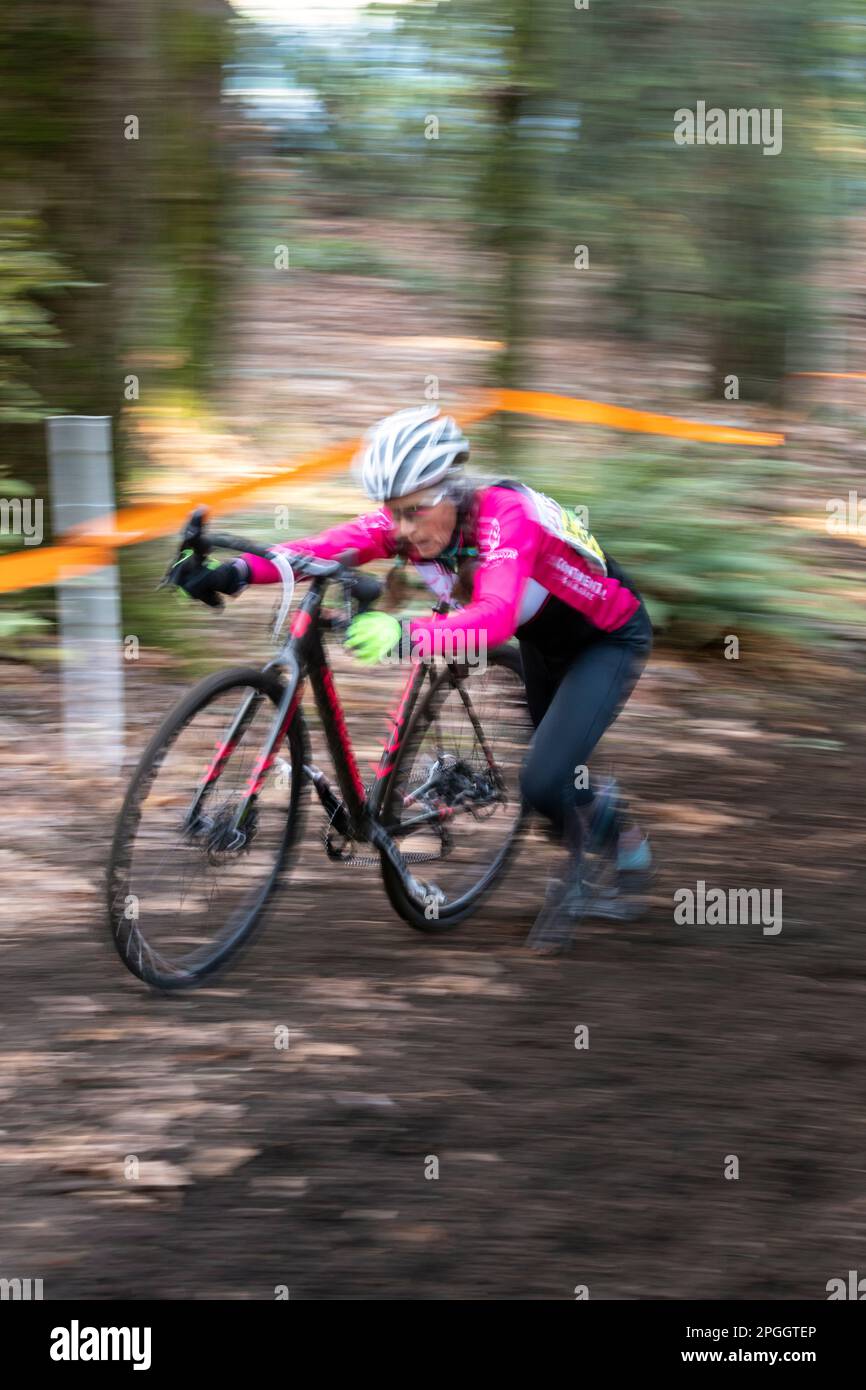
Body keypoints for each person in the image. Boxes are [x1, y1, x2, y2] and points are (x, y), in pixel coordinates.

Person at [175, 404, 654, 951]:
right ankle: (598, 827)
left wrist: (404, 634)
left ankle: (620, 853)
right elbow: (323, 548)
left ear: (450, 490)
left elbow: (495, 616)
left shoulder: (506, 517)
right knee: (558, 781)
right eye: (393, 513)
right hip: (543, 640)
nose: (401, 529)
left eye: (414, 512)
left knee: (545, 780)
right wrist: (234, 572)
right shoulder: (413, 518)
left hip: (608, 638)